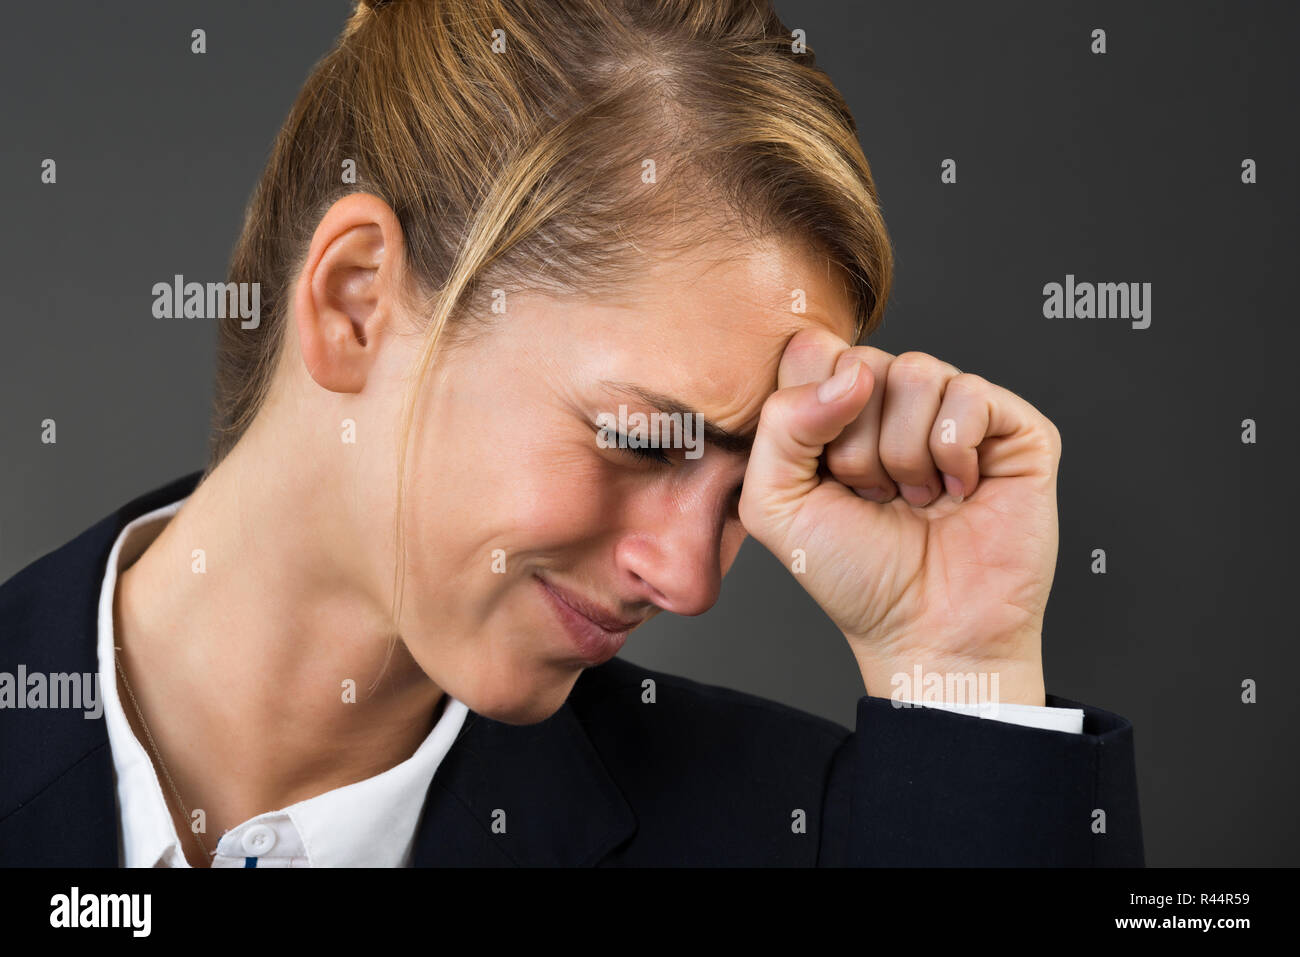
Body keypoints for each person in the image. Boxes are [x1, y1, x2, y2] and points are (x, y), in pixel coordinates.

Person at [0, 0, 1142, 867]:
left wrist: (961, 671)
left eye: (745, 479)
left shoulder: (801, 834)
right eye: (643, 441)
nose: (688, 578)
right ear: (355, 303)